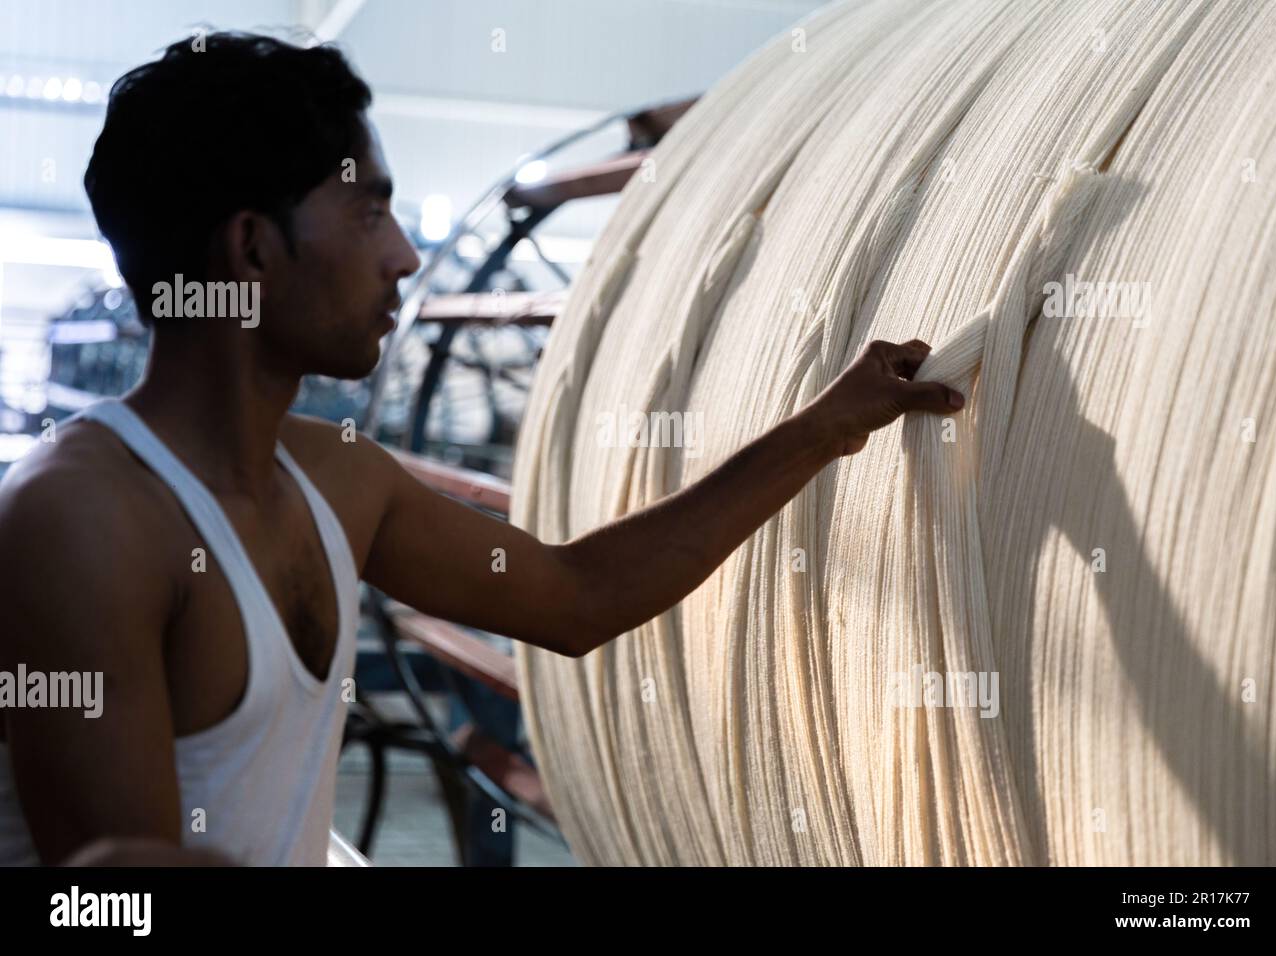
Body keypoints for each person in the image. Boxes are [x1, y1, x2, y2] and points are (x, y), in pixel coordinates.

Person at [0, 33, 964, 866]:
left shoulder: (339, 479)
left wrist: (823, 430)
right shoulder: (79, 520)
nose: (405, 259)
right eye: (369, 212)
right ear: (252, 251)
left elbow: (576, 596)